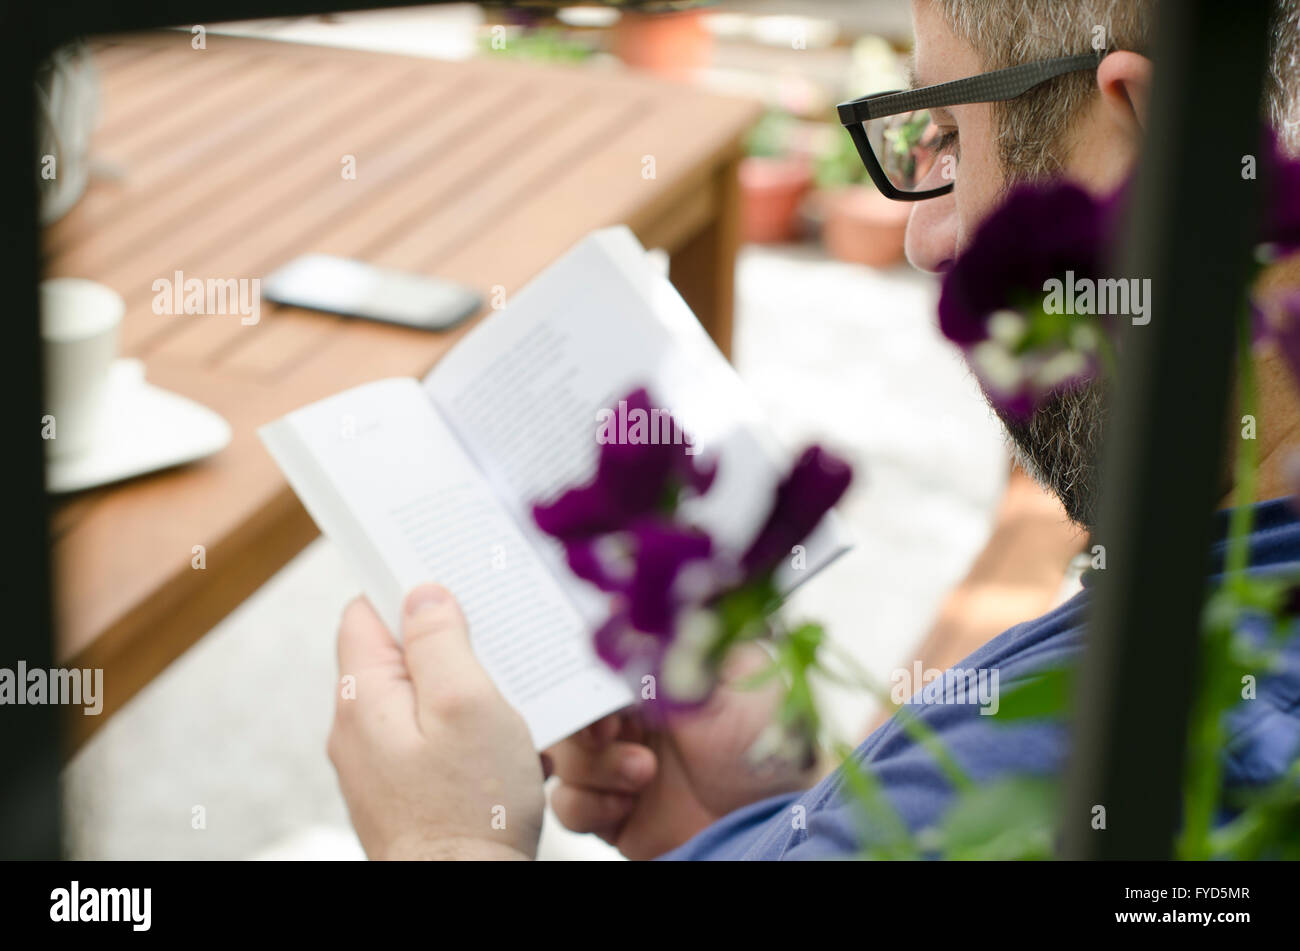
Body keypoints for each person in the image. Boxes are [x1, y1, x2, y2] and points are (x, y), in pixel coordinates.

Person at [324, 0, 1300, 860]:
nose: (924, 240)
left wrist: (443, 841)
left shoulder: (1149, 750)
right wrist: (755, 819)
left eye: (950, 135)